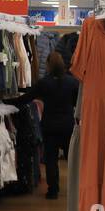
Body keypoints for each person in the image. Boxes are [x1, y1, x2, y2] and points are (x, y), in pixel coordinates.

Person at [31, 52, 79, 200]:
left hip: (50, 126)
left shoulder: (44, 82)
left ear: (49, 65)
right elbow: (78, 102)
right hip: (67, 125)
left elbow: (28, 97)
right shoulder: (72, 82)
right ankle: (77, 189)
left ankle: (53, 190)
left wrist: (10, 103)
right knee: (72, 158)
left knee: (51, 159)